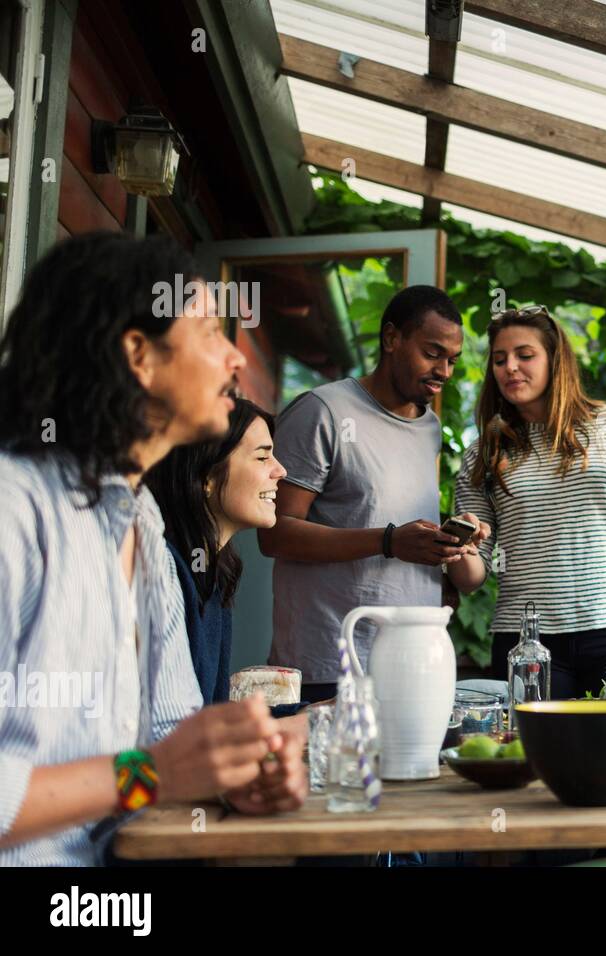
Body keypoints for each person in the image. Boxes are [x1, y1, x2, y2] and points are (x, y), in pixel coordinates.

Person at [0, 232, 306, 866]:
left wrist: (232, 774)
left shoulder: (140, 520)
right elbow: (151, 769)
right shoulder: (15, 509)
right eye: (210, 333)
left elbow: (167, 738)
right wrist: (154, 774)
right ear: (139, 354)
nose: (235, 359)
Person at [448, 306, 606, 698]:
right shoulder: (483, 452)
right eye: (499, 359)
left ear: (555, 360)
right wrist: (462, 546)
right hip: (526, 639)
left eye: (525, 355)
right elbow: (470, 579)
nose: (510, 367)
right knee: (535, 742)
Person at [259, 286, 477, 702]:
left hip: (413, 662)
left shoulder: (429, 428)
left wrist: (444, 544)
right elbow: (274, 533)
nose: (444, 371)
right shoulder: (322, 411)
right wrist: (389, 541)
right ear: (392, 338)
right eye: (432, 353)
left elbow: (380, 513)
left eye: (452, 359)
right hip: (333, 664)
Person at [147, 399, 287, 705]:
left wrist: (310, 712)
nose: (280, 471)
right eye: (262, 457)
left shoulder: (216, 573)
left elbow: (213, 708)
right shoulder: (167, 571)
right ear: (207, 477)